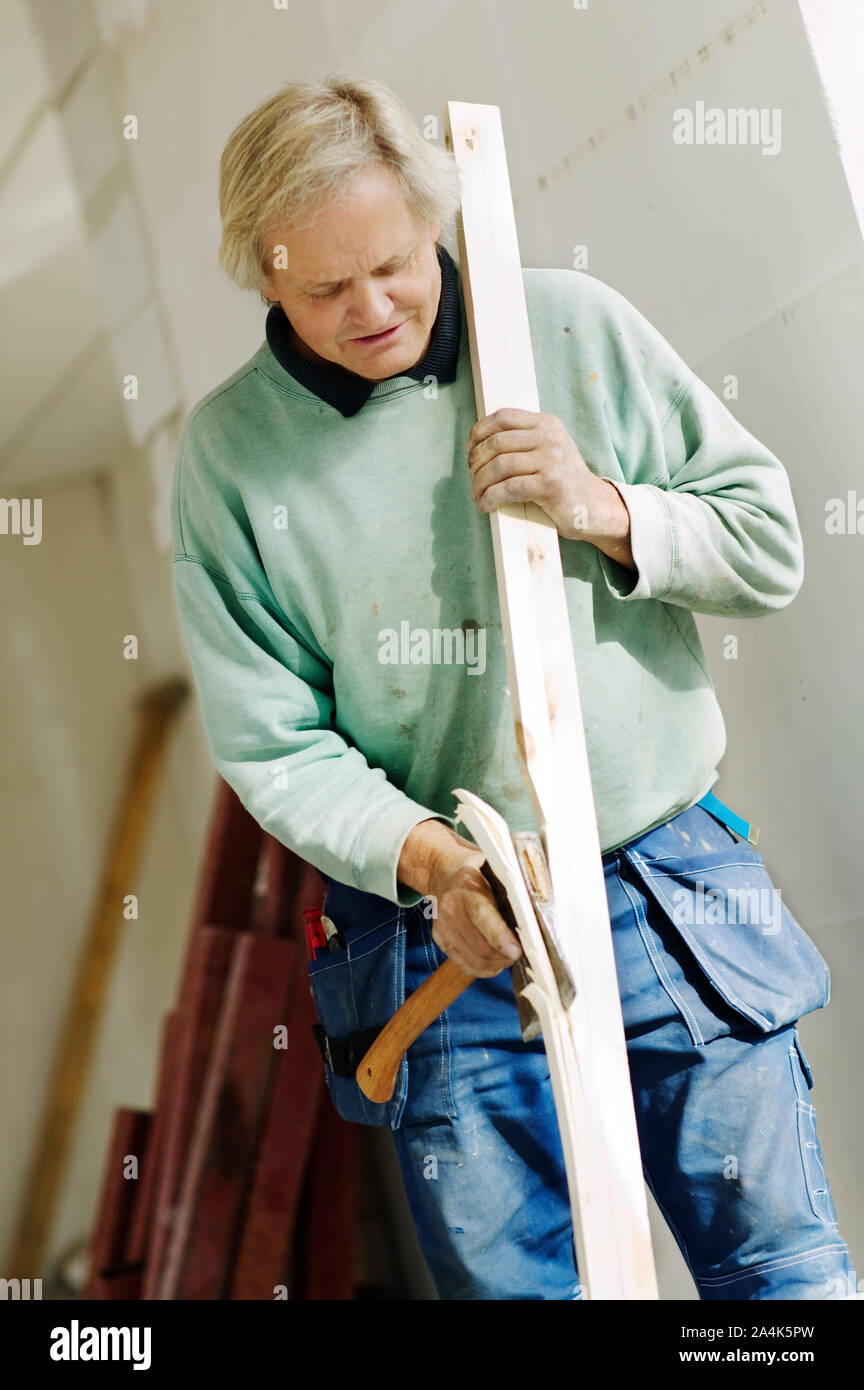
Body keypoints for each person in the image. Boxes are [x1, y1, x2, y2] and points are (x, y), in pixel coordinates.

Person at [170, 73, 857, 1300]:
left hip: (667, 886)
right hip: (442, 934)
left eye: (395, 262)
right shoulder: (230, 458)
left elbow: (768, 546)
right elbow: (274, 742)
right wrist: (438, 863)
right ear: (262, 274)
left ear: (435, 219)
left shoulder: (570, 329)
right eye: (327, 288)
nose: (373, 307)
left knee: (783, 1281)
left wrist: (601, 507)